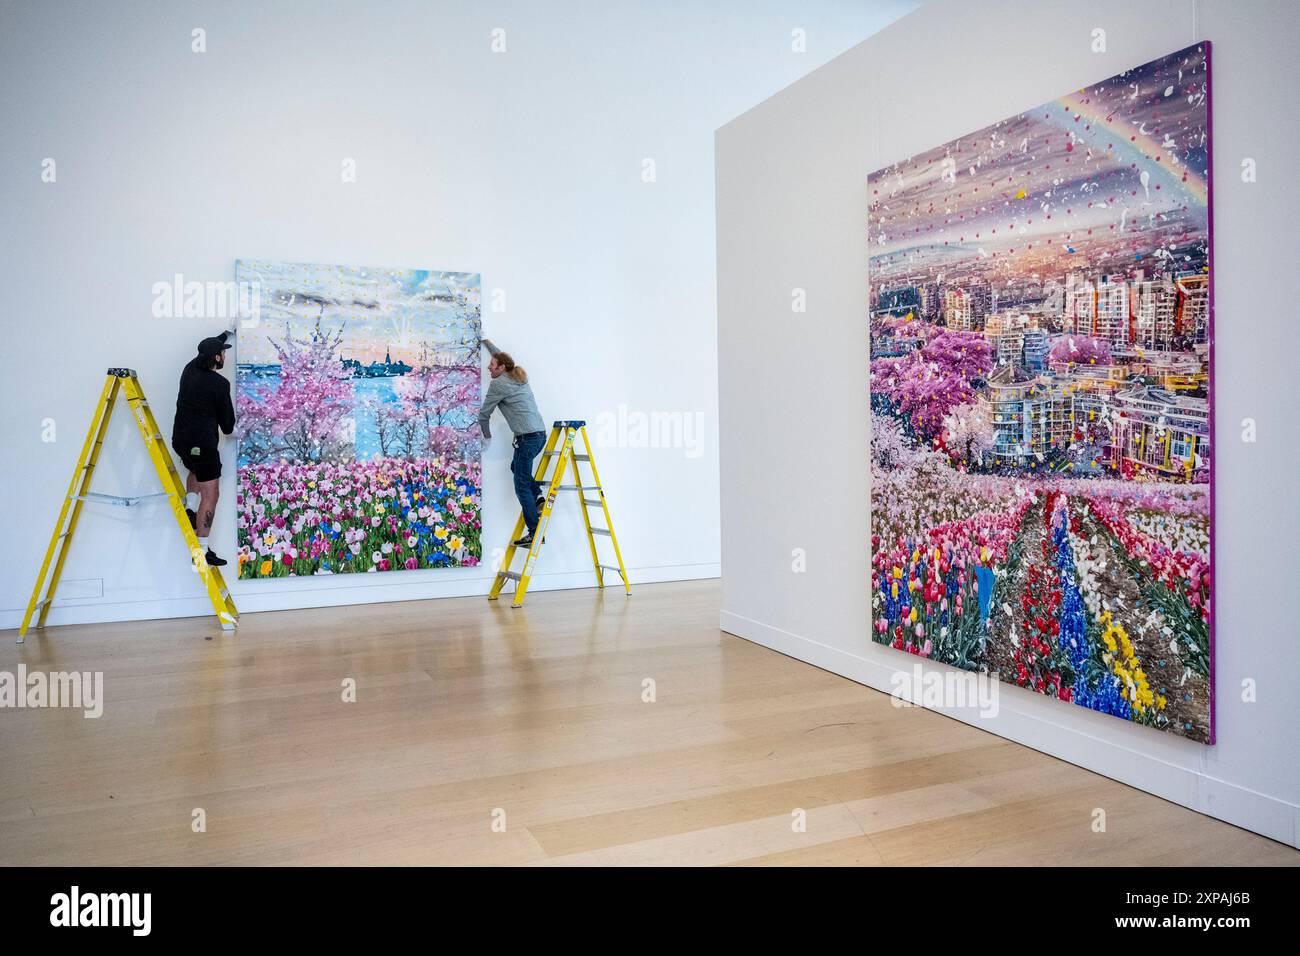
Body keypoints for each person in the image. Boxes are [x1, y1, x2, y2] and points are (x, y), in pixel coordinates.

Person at [172, 330, 236, 566]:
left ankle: (190, 509)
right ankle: (201, 551)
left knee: (194, 468)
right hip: (204, 445)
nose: (224, 356)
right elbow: (228, 427)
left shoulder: (189, 370)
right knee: (212, 494)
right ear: (218, 358)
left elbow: (207, 348)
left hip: (181, 441)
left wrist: (225, 335)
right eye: (222, 353)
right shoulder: (220, 384)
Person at [477, 338, 547, 548]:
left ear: (501, 368)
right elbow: (501, 356)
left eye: (492, 366)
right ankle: (540, 500)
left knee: (521, 486)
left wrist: (487, 437)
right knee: (516, 467)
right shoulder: (516, 375)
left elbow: (483, 415)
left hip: (527, 439)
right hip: (539, 435)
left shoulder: (498, 384)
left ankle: (534, 534)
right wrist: (487, 343)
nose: (489, 368)